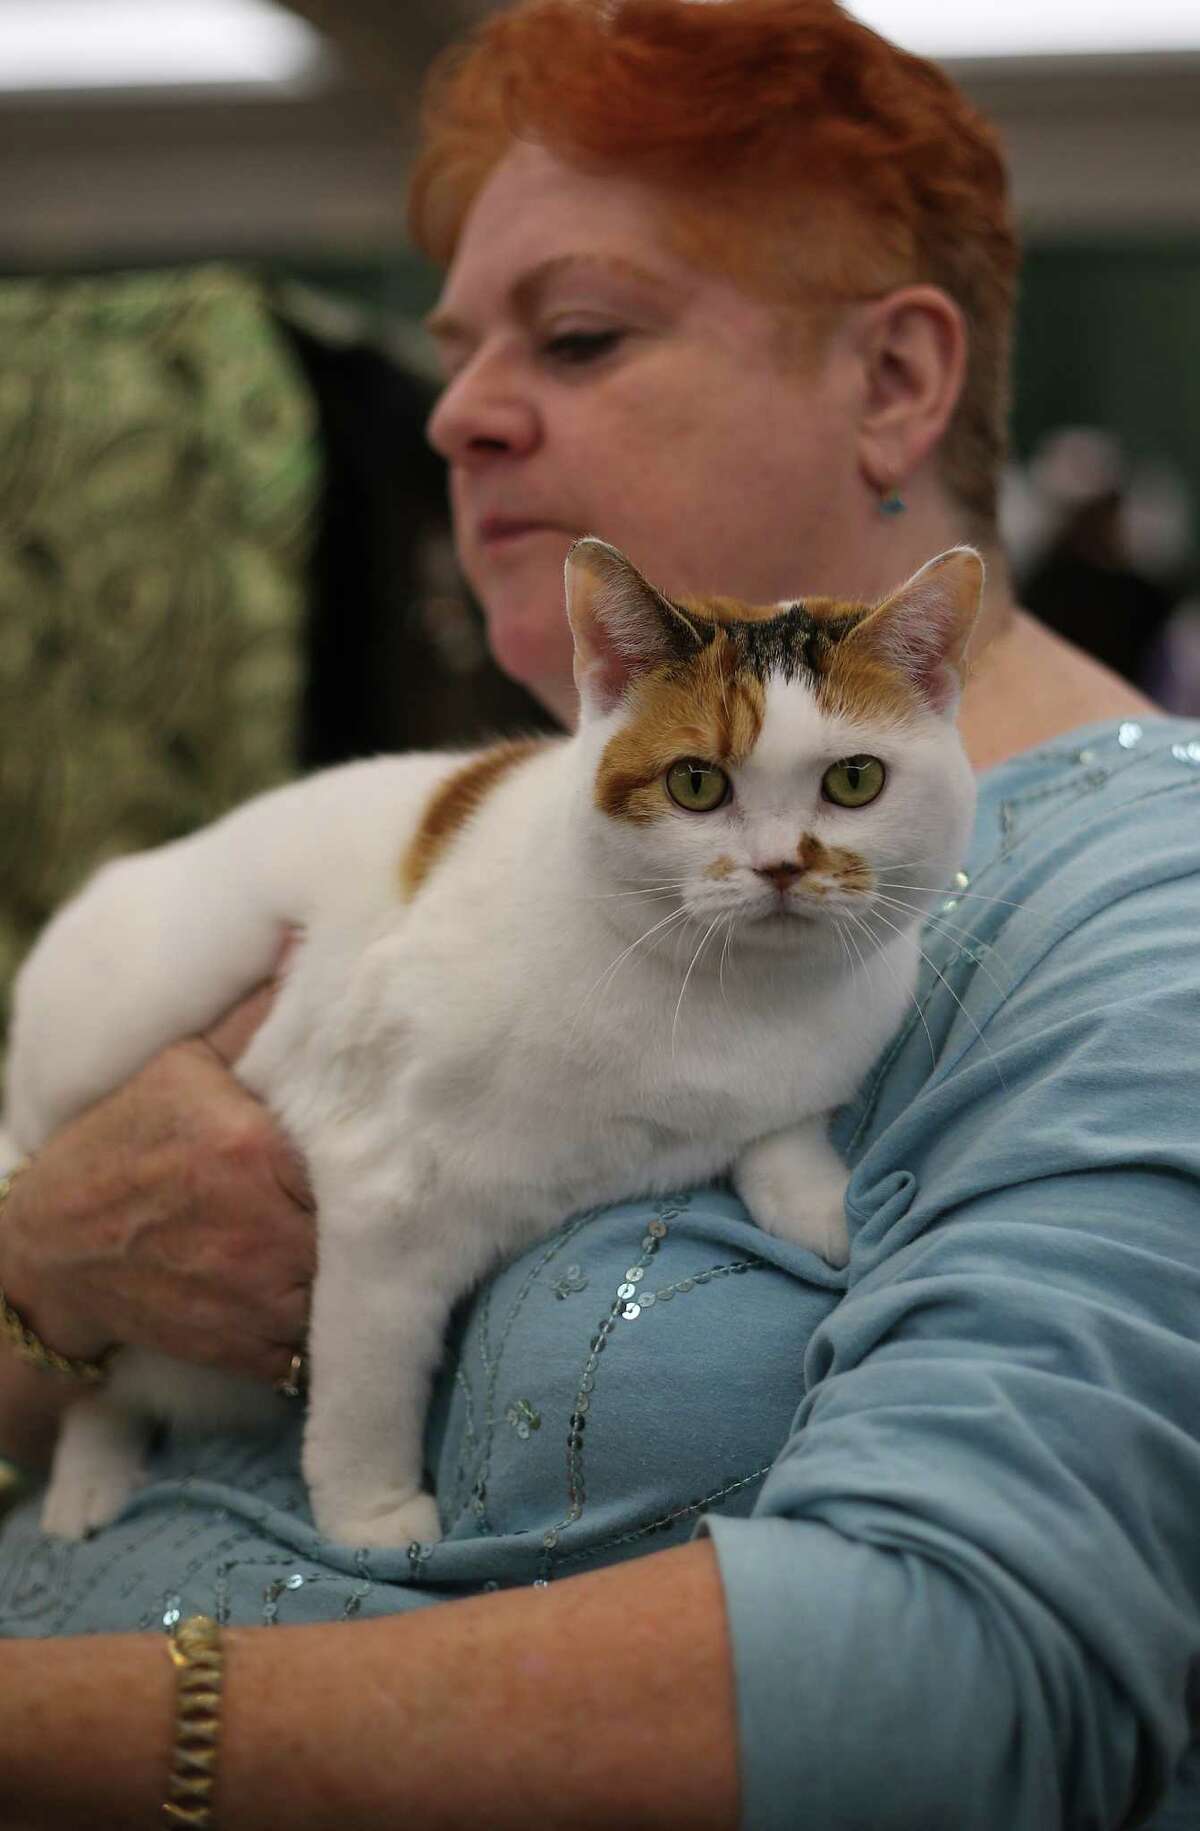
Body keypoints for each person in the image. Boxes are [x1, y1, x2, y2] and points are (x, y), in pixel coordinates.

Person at [2, 1, 1198, 1825]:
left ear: (894, 383)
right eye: (456, 352)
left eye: (576, 335)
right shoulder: (513, 843)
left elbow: (970, 1681)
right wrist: (48, 1276)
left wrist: (76, 1732)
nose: (457, 413)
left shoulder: (1146, 921)